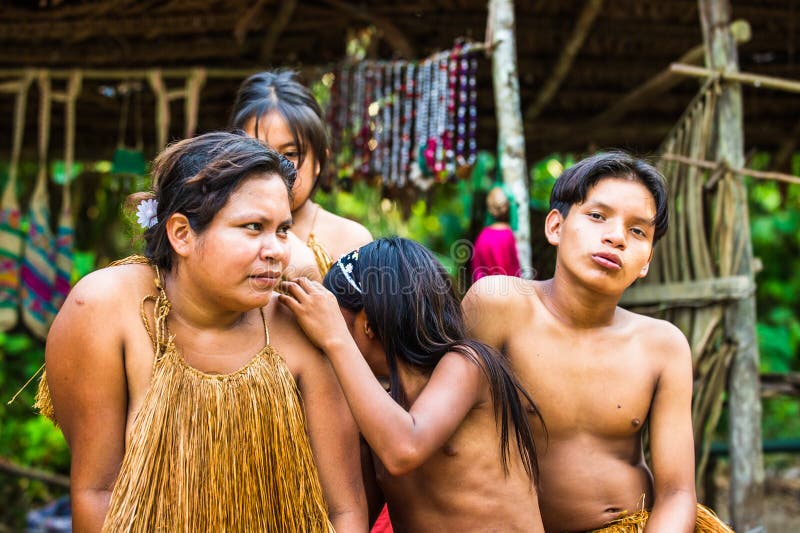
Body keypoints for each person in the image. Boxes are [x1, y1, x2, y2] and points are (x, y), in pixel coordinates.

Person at [37, 132, 366, 532]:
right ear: (181, 234)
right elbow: (96, 493)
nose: (278, 249)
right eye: (252, 226)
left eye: (282, 229)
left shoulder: (302, 324)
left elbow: (344, 512)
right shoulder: (105, 309)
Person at [462, 151, 733, 532]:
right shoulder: (499, 305)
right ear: (555, 226)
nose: (616, 237)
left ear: (646, 261)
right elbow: (447, 445)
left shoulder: (663, 345)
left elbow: (677, 493)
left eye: (638, 231)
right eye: (597, 216)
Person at [279, 237, 546, 532]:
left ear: (366, 322)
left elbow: (404, 448)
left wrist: (335, 339)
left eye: (337, 322)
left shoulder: (469, 366)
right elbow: (354, 511)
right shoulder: (378, 415)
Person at [230, 70, 372, 278]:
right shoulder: (218, 231)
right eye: (257, 153)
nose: (274, 168)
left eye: (290, 154)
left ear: (318, 162)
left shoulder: (351, 241)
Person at [471, 185, 522, 282]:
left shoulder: (483, 236)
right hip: (508, 293)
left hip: (486, 293)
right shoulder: (508, 235)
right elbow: (515, 270)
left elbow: (477, 269)